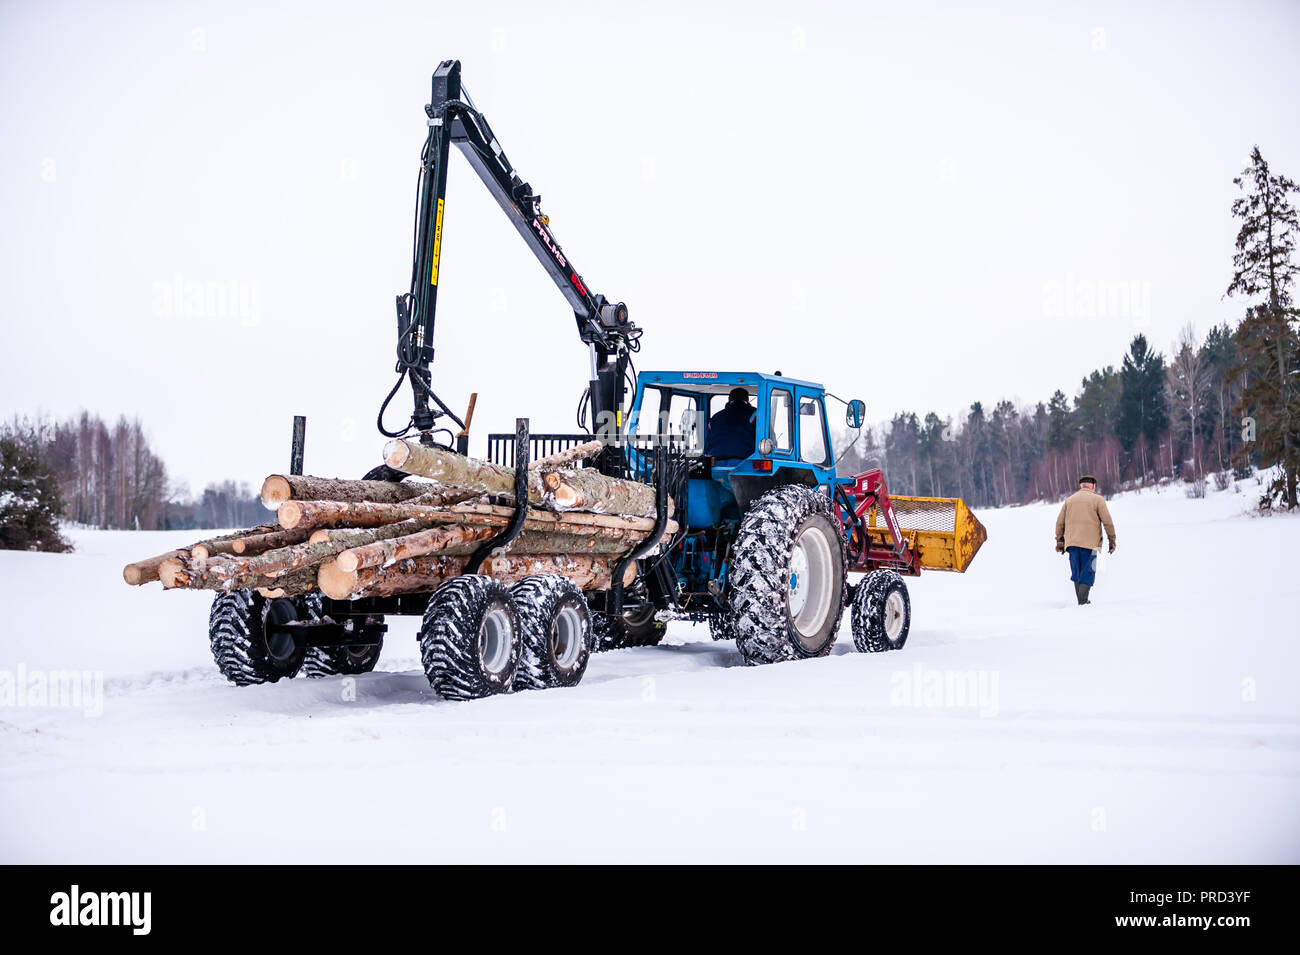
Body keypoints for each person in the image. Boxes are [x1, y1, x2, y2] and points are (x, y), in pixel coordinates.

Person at [1054, 475, 1117, 605]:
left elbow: (1059, 523)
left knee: (1077, 572)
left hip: (1072, 544)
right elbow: (1108, 522)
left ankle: (1082, 602)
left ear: (1081, 486)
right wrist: (1112, 540)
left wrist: (1060, 541)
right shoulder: (1098, 500)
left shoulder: (1069, 501)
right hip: (1091, 545)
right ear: (1093, 486)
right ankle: (1083, 602)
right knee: (1088, 572)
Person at [704, 387, 756, 461]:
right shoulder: (755, 414)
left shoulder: (715, 417)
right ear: (747, 399)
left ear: (729, 399)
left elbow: (707, 441)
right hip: (743, 460)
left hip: (716, 459)